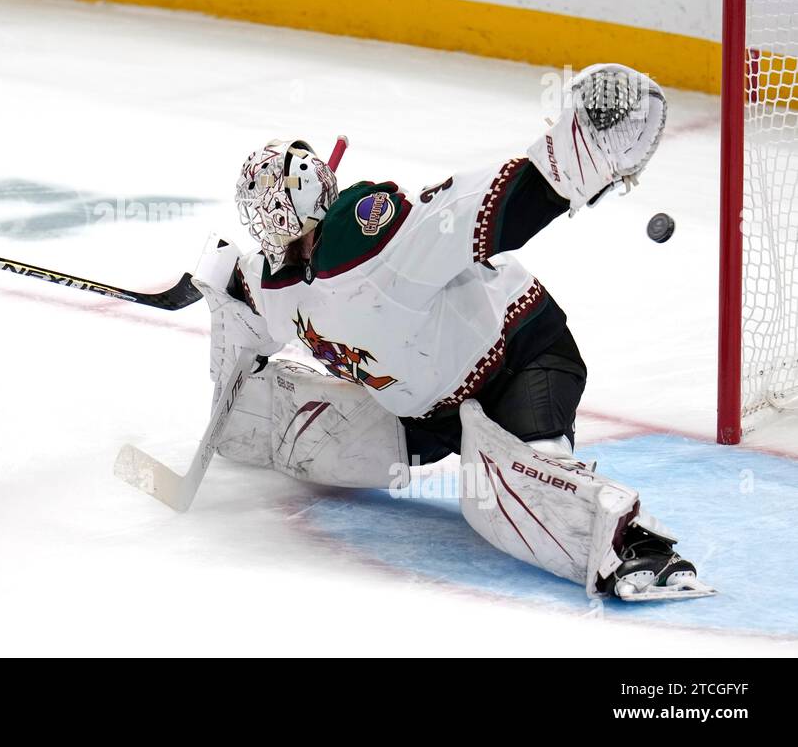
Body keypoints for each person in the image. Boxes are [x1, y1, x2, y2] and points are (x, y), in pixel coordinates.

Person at [194, 64, 713, 601]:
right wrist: (216, 281)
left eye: (268, 207)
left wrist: (579, 155)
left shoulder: (374, 240)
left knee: (509, 495)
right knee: (314, 439)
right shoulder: (279, 283)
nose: (260, 222)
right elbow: (245, 298)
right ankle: (254, 425)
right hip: (422, 412)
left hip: (519, 361)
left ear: (295, 206)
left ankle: (640, 549)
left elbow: (472, 209)